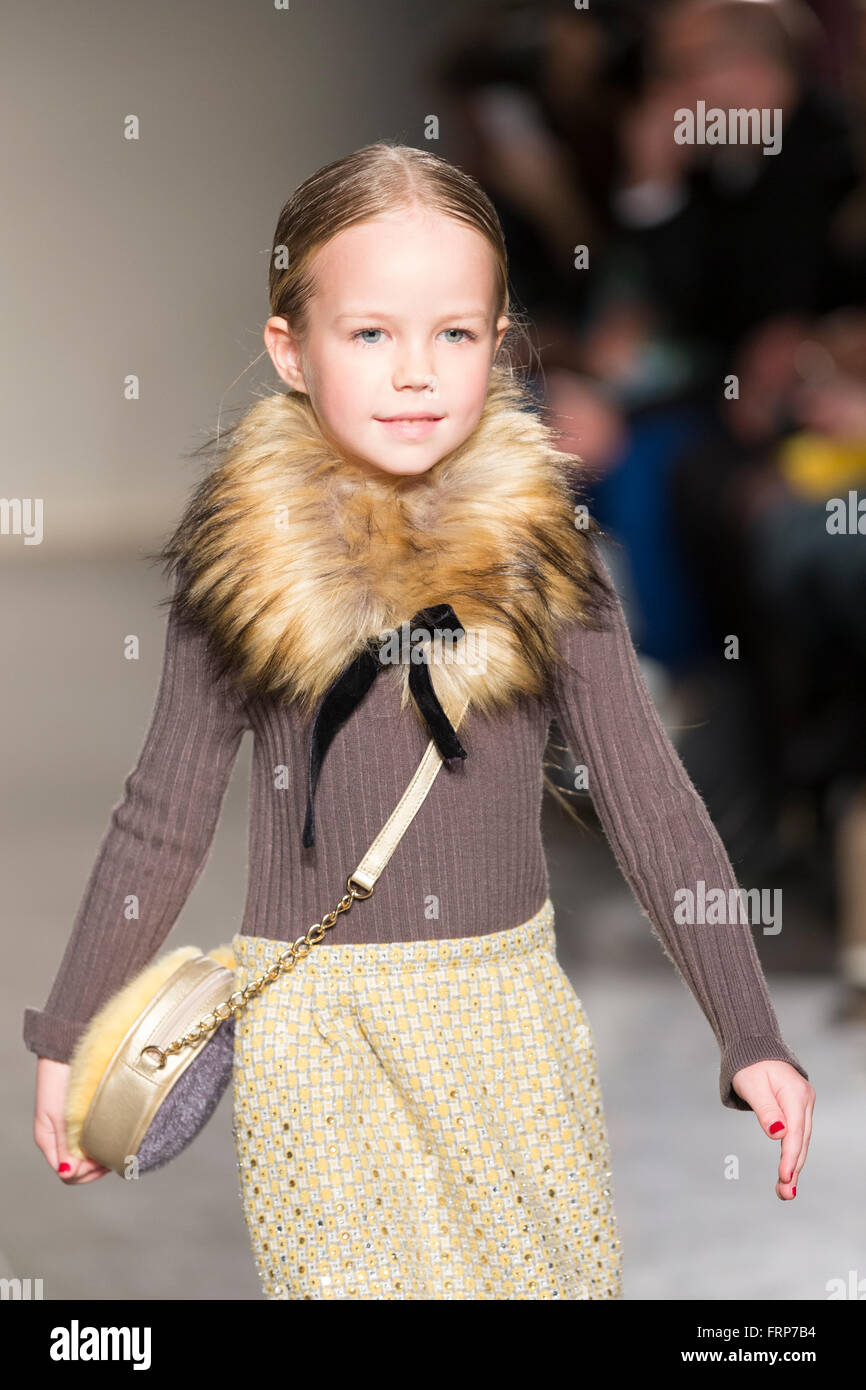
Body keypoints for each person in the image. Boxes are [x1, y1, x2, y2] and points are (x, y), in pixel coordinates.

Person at [25, 142, 813, 1301]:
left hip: (505, 1023)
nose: (414, 372)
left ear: (496, 348)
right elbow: (161, 812)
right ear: (289, 351)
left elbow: (647, 796)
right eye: (369, 333)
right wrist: (73, 1032)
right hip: (315, 1036)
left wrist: (746, 1029)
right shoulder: (242, 567)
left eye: (451, 333)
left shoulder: (543, 557)